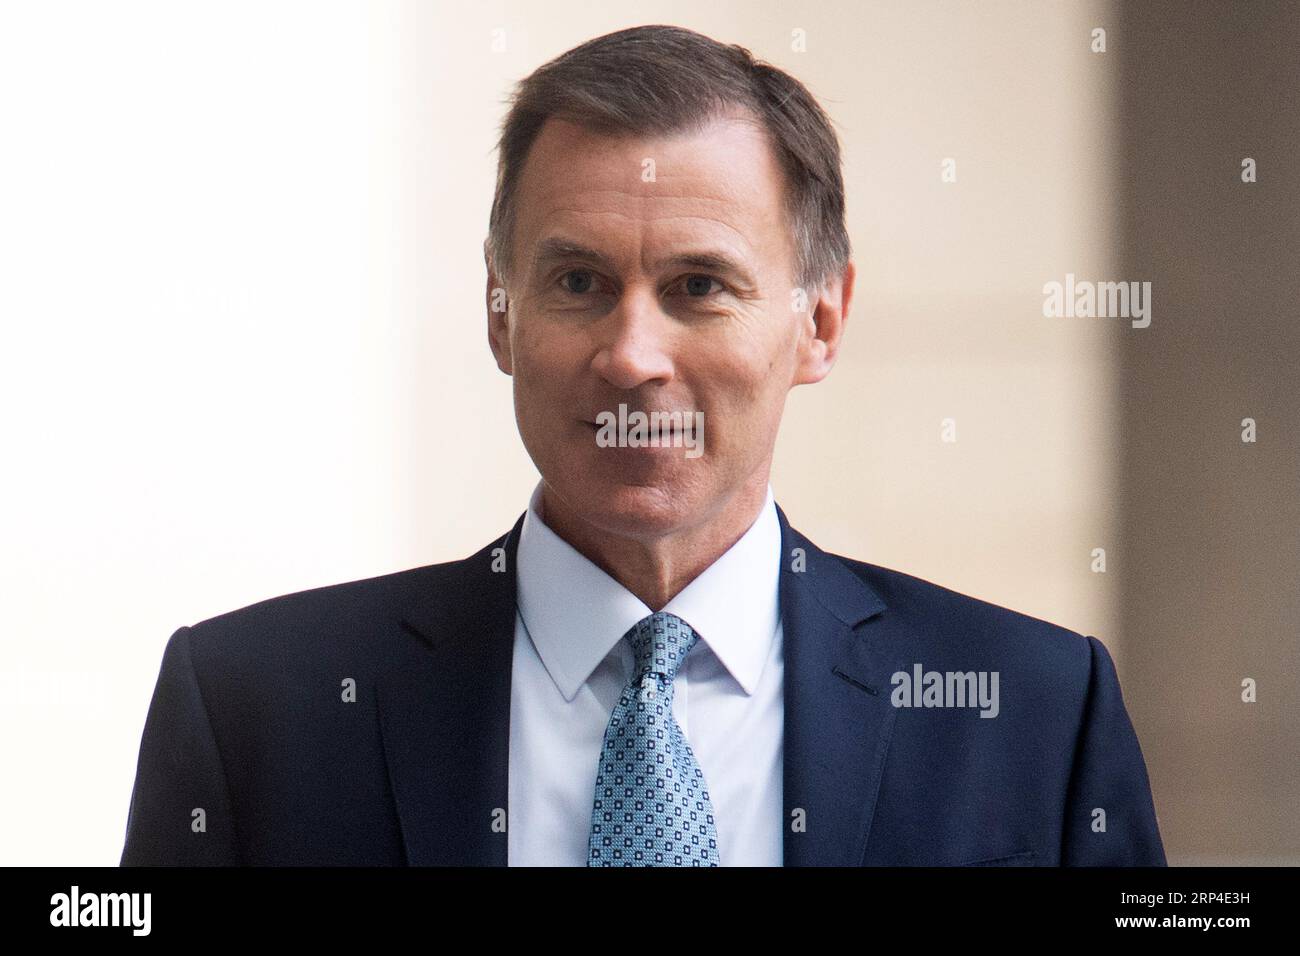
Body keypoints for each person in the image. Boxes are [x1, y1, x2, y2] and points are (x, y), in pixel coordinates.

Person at [121, 24, 1165, 867]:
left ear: (820, 323)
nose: (630, 355)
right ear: (500, 314)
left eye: (697, 286)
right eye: (576, 282)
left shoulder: (1028, 712)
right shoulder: (256, 709)